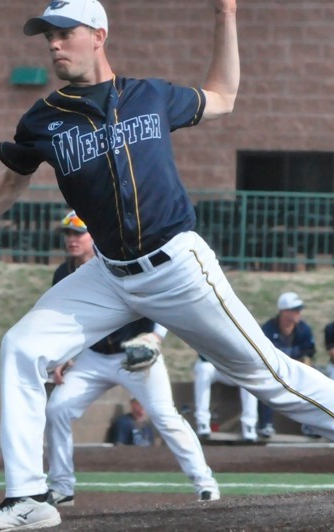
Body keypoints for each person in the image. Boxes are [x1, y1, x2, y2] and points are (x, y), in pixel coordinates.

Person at [0, 0, 334, 530]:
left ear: (98, 36)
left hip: (178, 267)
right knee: (21, 347)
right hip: (110, 274)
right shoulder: (43, 119)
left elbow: (223, 95)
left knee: (271, 377)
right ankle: (27, 498)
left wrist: (225, 12)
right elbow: (13, 181)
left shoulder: (148, 96)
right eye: (47, 34)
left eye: (64, 31)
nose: (53, 43)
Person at [45, 211, 220, 507]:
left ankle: (205, 484)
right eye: (68, 234)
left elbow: (161, 296)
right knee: (57, 409)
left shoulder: (116, 263)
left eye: (78, 233)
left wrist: (156, 336)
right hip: (94, 357)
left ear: (94, 236)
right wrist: (62, 354)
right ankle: (62, 487)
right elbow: (65, 320)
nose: (72, 240)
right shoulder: (64, 273)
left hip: (135, 355)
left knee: (165, 417)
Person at [258, 292, 316, 437]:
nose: (299, 313)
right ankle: (265, 424)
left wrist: (304, 371)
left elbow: (308, 355)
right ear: (283, 311)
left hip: (295, 370)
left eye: (299, 309)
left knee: (310, 383)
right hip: (273, 370)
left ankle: (309, 425)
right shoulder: (268, 329)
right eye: (295, 310)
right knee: (266, 383)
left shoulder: (304, 329)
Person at [193, 354, 259, 442]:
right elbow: (203, 356)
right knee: (203, 368)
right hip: (214, 367)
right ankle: (202, 422)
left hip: (235, 369)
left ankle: (249, 425)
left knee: (250, 374)